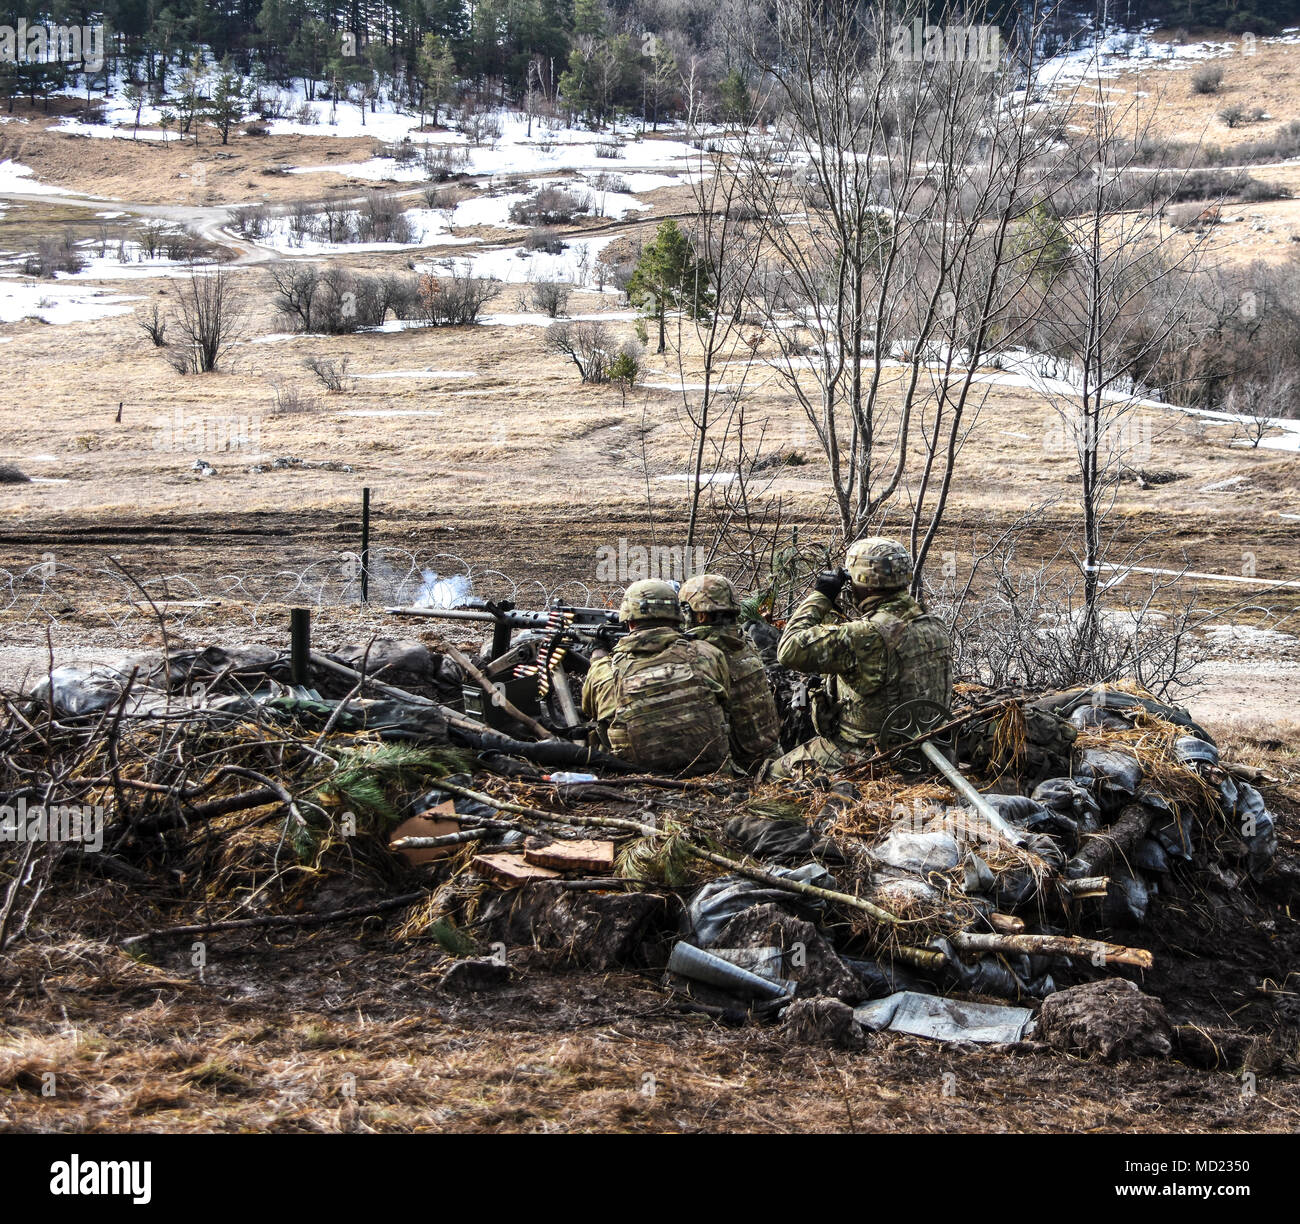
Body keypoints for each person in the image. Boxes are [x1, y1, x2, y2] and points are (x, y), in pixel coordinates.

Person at [765, 538, 953, 779]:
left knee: (769, 776)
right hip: (923, 752)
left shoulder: (866, 635)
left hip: (866, 756)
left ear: (868, 586)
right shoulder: (933, 625)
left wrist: (821, 595)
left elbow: (788, 650)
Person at [581, 578, 731, 775]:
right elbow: (725, 703)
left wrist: (598, 657)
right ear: (676, 618)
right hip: (711, 771)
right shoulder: (708, 654)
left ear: (630, 621)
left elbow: (590, 710)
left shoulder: (606, 671)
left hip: (639, 777)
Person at [679, 573, 780, 770]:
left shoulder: (702, 656)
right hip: (771, 755)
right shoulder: (744, 641)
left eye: (685, 611)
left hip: (743, 768)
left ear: (700, 615)